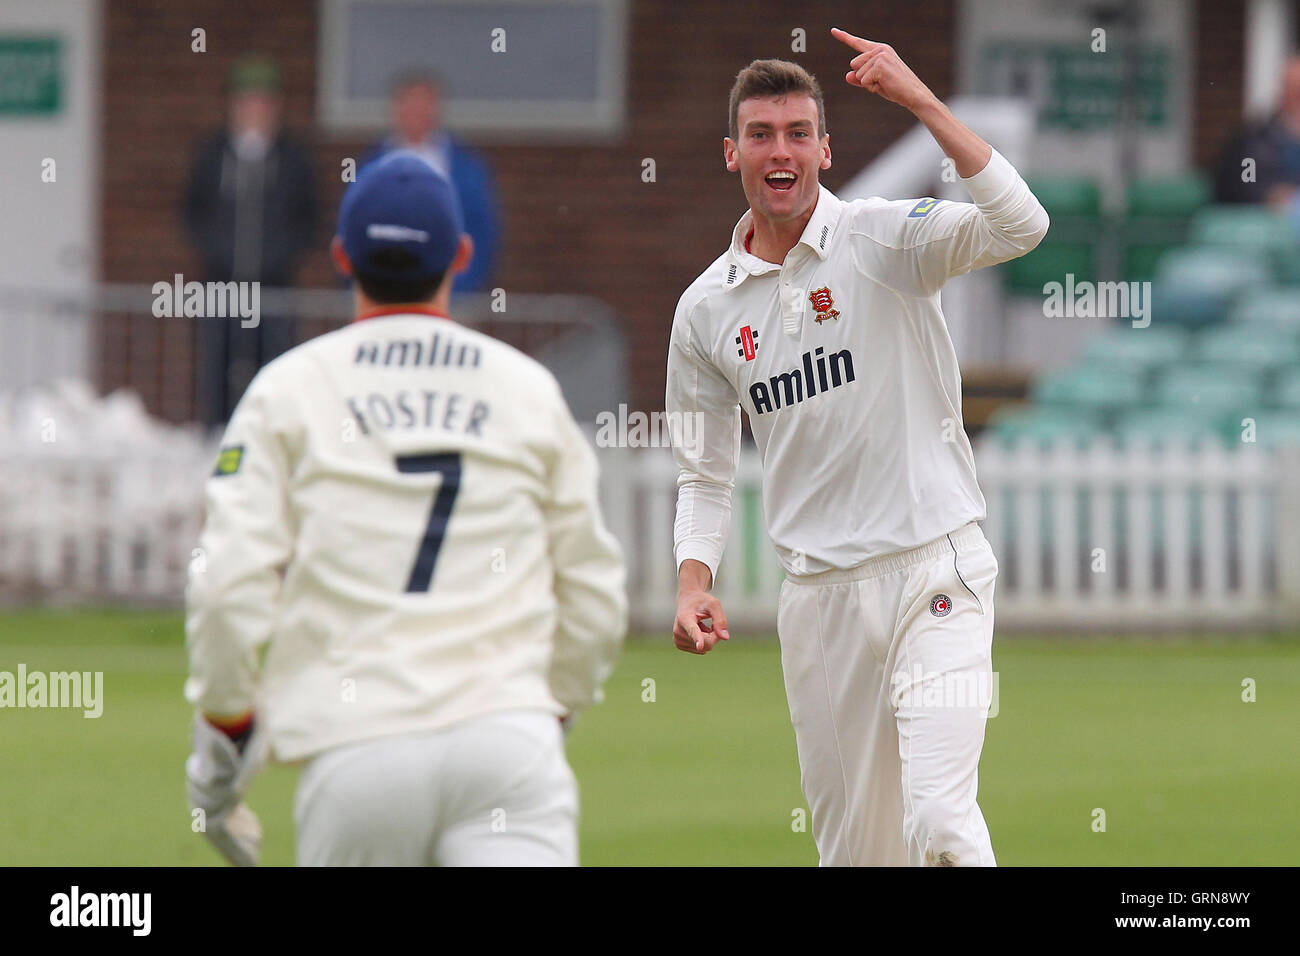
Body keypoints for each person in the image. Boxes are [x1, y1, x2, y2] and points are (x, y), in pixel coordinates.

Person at [665, 33, 1048, 867]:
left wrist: (920, 101)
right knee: (856, 856)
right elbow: (704, 469)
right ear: (733, 153)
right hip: (821, 603)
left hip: (934, 572)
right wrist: (694, 582)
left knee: (942, 826)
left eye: (799, 132)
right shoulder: (703, 311)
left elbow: (1022, 223)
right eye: (762, 134)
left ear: (825, 150)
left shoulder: (885, 238)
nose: (781, 150)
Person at [184, 152, 626, 867]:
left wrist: (227, 728)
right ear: (460, 255)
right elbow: (595, 591)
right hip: (507, 740)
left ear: (340, 256)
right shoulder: (526, 388)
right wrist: (552, 707)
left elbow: (227, 586)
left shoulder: (287, 389)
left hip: (357, 748)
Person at [184, 55, 319, 427]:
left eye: (262, 101)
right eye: (246, 101)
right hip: (221, 283)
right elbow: (192, 211)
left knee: (274, 368)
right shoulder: (213, 154)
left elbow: (309, 217)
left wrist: (279, 255)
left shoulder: (292, 158)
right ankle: (217, 438)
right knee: (217, 367)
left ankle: (269, 438)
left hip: (273, 285)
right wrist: (218, 249)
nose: (254, 109)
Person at [362, 72, 500, 294]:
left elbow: (482, 227)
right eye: (409, 103)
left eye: (424, 104)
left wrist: (462, 285)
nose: (417, 112)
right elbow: (356, 224)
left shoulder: (464, 165)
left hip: (451, 296)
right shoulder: (372, 164)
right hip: (382, 295)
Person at [1212, 56, 1300, 206]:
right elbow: (1246, 187)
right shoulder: (1251, 142)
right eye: (1295, 91)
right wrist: (1272, 195)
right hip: (1261, 224)